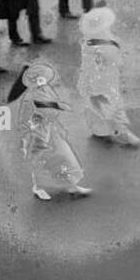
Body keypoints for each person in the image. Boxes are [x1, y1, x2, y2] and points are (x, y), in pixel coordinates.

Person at [6, 61, 91, 201]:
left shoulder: (47, 89)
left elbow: (53, 105)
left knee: (65, 156)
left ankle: (71, 185)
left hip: (52, 130)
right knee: (41, 161)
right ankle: (39, 188)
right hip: (38, 134)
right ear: (32, 81)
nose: (42, 81)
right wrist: (28, 135)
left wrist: (59, 110)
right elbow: (23, 119)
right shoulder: (28, 98)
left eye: (43, 78)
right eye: (38, 79)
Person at [76, 7, 140, 147]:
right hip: (104, 81)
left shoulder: (89, 42)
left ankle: (99, 129)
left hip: (98, 80)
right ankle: (121, 133)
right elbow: (109, 63)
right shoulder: (104, 46)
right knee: (111, 105)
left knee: (97, 106)